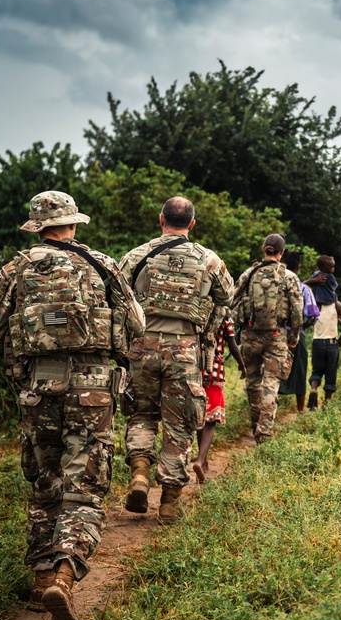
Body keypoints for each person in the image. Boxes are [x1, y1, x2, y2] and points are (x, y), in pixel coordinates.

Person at [0, 191, 146, 620]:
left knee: (44, 480)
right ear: (73, 224)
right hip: (93, 387)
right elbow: (136, 323)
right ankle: (64, 575)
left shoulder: (14, 269)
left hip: (39, 387)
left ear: (36, 225)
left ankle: (39, 582)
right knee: (85, 486)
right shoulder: (102, 265)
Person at [119, 197, 235, 524]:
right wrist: (207, 332)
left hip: (141, 347)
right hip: (184, 349)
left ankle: (140, 471)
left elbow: (115, 297)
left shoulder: (135, 256)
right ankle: (169, 501)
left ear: (161, 220)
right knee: (179, 422)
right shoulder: (209, 260)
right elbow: (227, 300)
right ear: (192, 224)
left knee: (141, 412)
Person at [231, 234, 304, 443]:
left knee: (253, 382)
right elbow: (297, 310)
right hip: (276, 335)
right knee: (271, 383)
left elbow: (232, 298)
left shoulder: (249, 273)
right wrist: (294, 336)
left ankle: (256, 425)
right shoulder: (289, 276)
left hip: (250, 334)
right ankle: (264, 432)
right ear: (282, 252)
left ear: (264, 248)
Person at [193, 306, 246, 483]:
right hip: (215, 370)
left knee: (200, 414)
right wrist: (241, 364)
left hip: (194, 367)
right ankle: (201, 459)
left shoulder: (198, 310)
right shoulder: (226, 317)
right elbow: (232, 345)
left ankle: (203, 459)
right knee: (212, 418)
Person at [279, 251, 319, 413]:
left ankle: (271, 405)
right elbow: (313, 314)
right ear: (297, 267)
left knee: (274, 369)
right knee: (300, 369)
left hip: (277, 333)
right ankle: (300, 409)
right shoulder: (304, 288)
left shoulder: (276, 285)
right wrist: (305, 326)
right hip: (298, 333)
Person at [306, 295, 341, 410]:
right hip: (332, 343)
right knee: (331, 372)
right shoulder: (337, 305)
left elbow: (309, 321)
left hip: (317, 342)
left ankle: (313, 389)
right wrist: (340, 340)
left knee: (317, 370)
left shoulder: (314, 304)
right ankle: (326, 404)